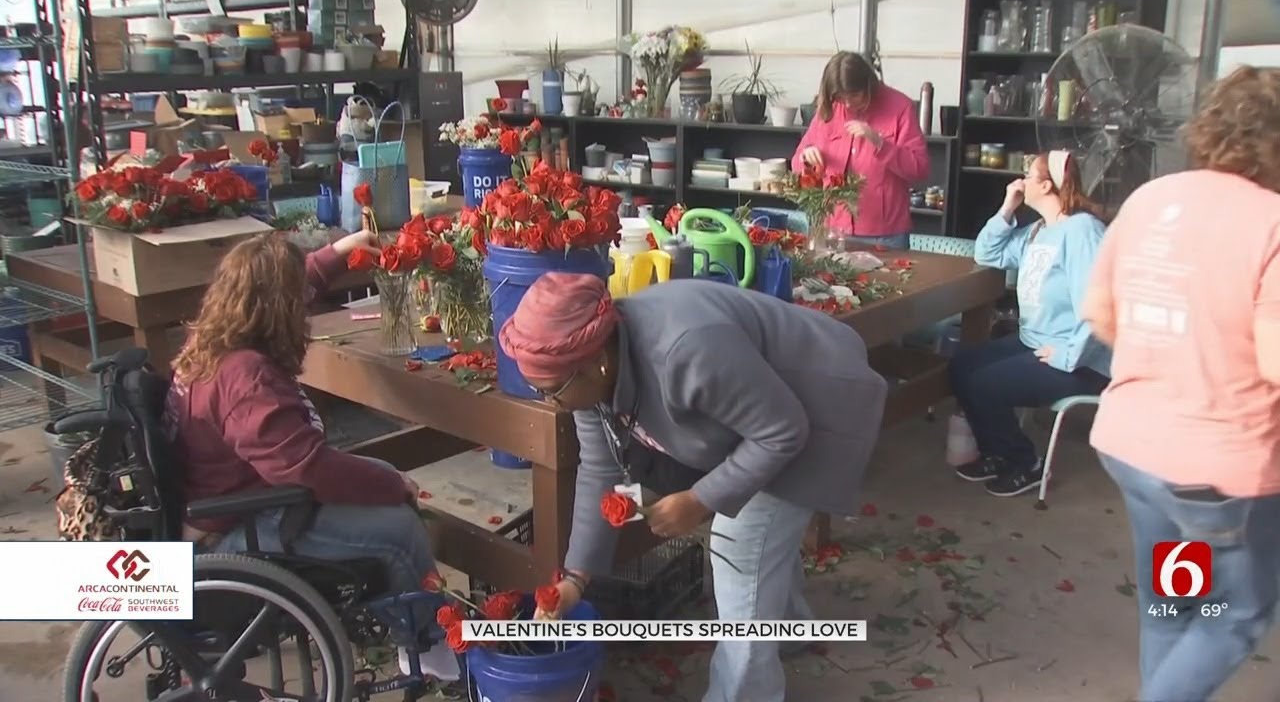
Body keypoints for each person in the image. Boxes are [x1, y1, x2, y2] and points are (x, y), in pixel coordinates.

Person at [498, 272, 887, 702]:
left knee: (738, 544)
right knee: (758, 547)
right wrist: (576, 577)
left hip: (819, 405)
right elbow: (599, 468)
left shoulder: (685, 349)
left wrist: (700, 500)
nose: (549, 402)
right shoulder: (589, 365)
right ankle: (787, 631)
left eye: (552, 391)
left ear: (597, 364)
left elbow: (782, 432)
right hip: (760, 416)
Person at [163, 231, 463, 691]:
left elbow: (288, 280)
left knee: (382, 475)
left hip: (234, 499)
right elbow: (306, 468)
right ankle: (427, 647)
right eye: (297, 303)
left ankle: (401, 614)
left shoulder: (210, 343)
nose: (305, 308)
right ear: (278, 310)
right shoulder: (245, 378)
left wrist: (342, 251)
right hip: (238, 525)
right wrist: (393, 488)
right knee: (401, 532)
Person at [1081, 65, 1280, 702]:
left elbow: (1100, 314)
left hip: (1137, 451)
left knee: (1175, 603)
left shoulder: (1152, 198)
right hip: (1218, 477)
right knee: (1236, 618)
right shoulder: (1275, 221)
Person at [948, 151, 1111, 497]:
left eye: (1027, 174)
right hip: (1035, 342)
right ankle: (995, 451)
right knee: (963, 365)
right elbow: (986, 254)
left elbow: (1100, 303)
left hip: (1079, 359)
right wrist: (1008, 207)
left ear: (1046, 184)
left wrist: (1067, 354)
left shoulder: (1082, 231)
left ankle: (1026, 463)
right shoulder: (1038, 230)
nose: (1019, 180)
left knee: (986, 383)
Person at [791, 51, 929, 249]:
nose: (847, 103)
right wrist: (806, 158)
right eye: (840, 97)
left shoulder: (900, 107)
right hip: (834, 229)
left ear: (868, 84)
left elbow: (920, 168)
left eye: (854, 95)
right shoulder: (829, 110)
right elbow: (797, 161)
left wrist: (880, 143)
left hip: (884, 235)